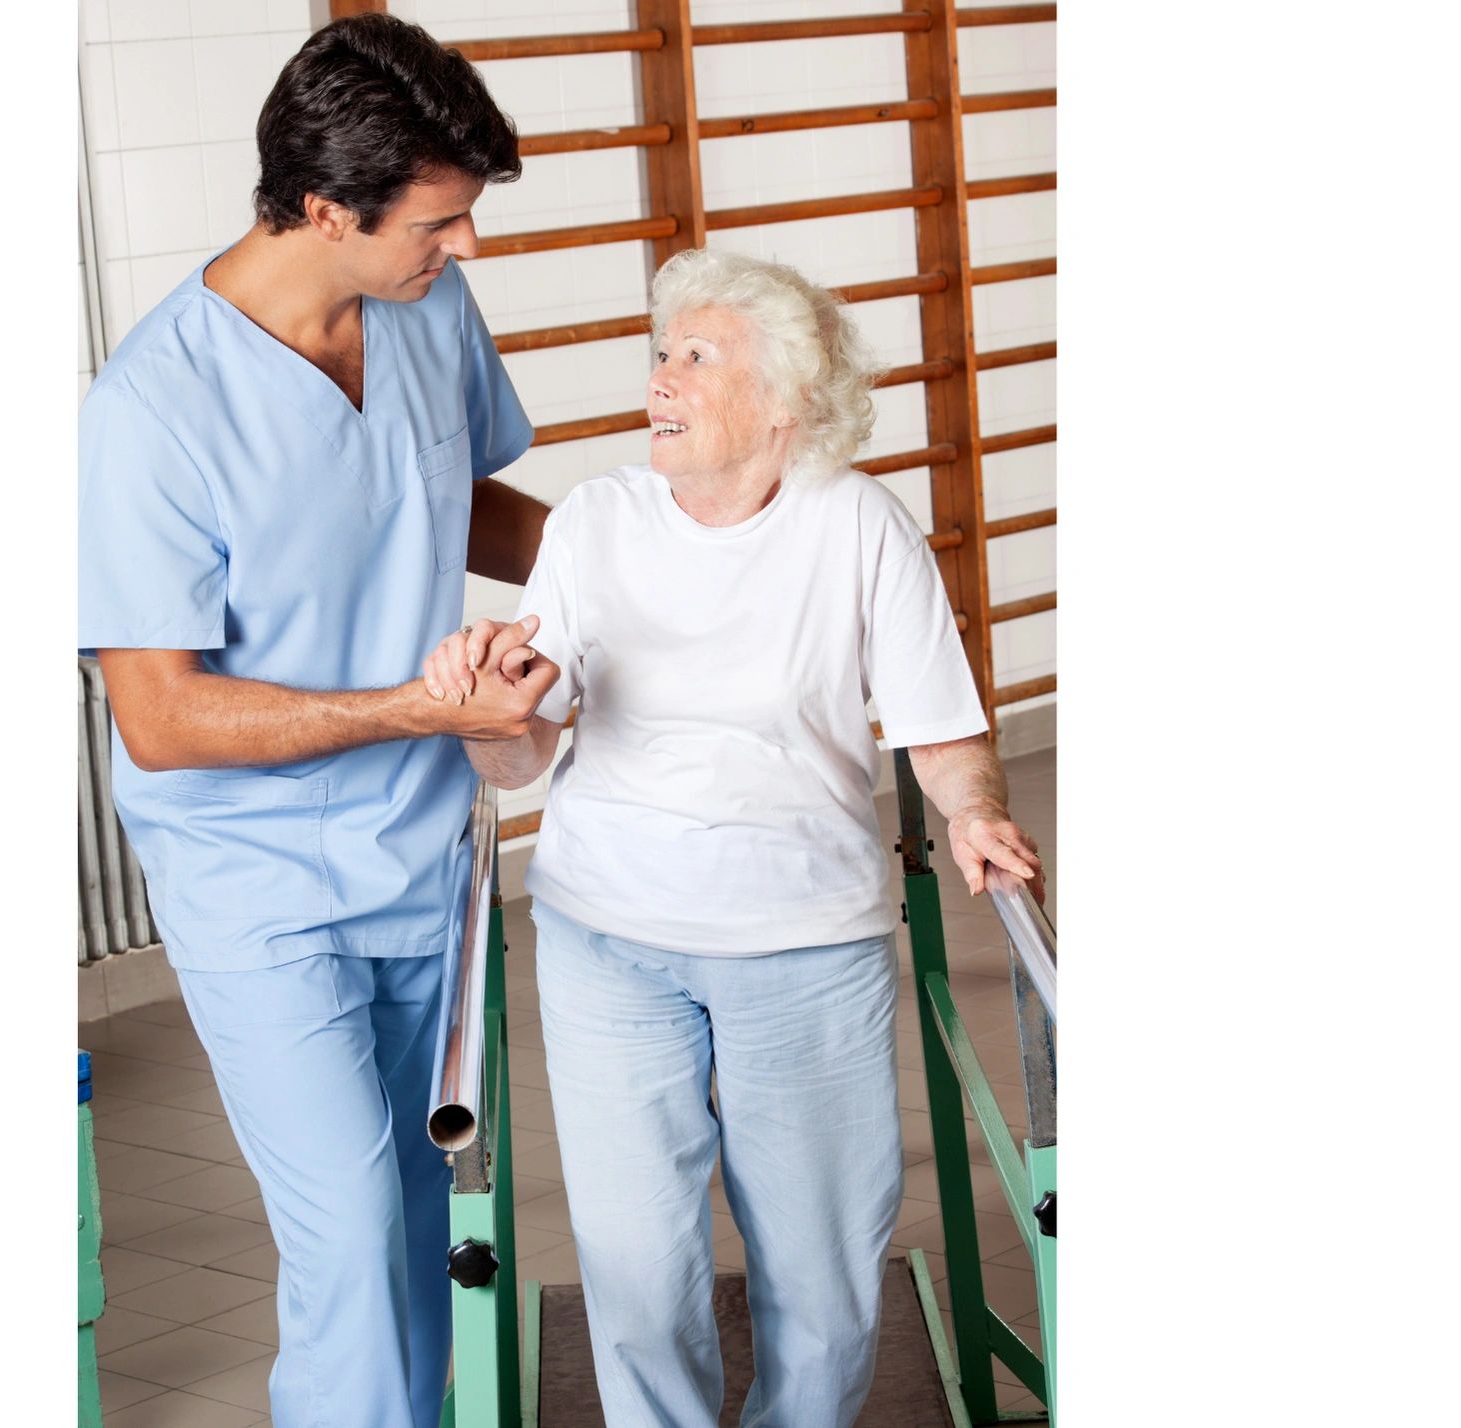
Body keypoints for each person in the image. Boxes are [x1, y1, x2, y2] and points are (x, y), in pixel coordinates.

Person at [425, 248, 1045, 1428]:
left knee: (818, 1270)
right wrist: (482, 717)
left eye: (694, 358)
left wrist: (972, 810)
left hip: (803, 942)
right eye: (660, 353)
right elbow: (520, 754)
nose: (659, 378)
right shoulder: (597, 522)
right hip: (608, 934)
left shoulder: (858, 527)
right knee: (634, 1268)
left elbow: (940, 729)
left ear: (785, 401)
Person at [77, 15, 557, 1428]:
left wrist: (652, 552)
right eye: (442, 222)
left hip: (424, 856)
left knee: (430, 1219)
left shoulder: (422, 308)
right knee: (348, 1237)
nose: (464, 248)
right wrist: (415, 706)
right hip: (260, 885)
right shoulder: (149, 412)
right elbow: (159, 717)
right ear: (328, 209)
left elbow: (451, 493)